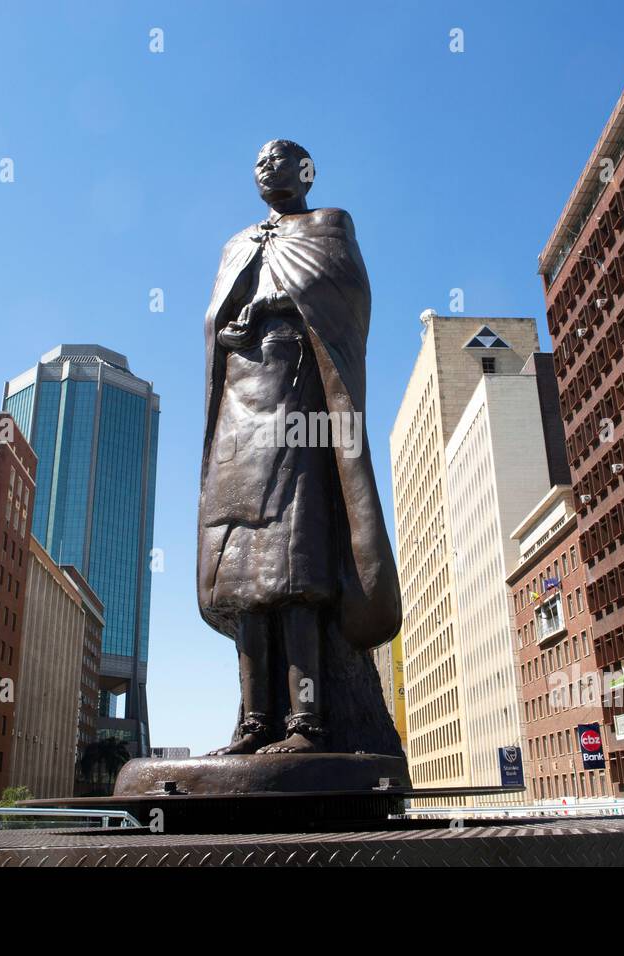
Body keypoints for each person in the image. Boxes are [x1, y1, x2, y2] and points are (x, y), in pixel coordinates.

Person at [196, 140, 400, 755]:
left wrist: (277, 302)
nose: (264, 168)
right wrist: (231, 325)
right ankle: (253, 722)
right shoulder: (237, 243)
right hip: (240, 406)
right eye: (256, 161)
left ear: (305, 171)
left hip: (298, 405)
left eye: (278, 158)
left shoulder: (328, 225)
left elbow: (343, 298)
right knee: (241, 575)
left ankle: (306, 724)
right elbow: (214, 321)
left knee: (294, 567)